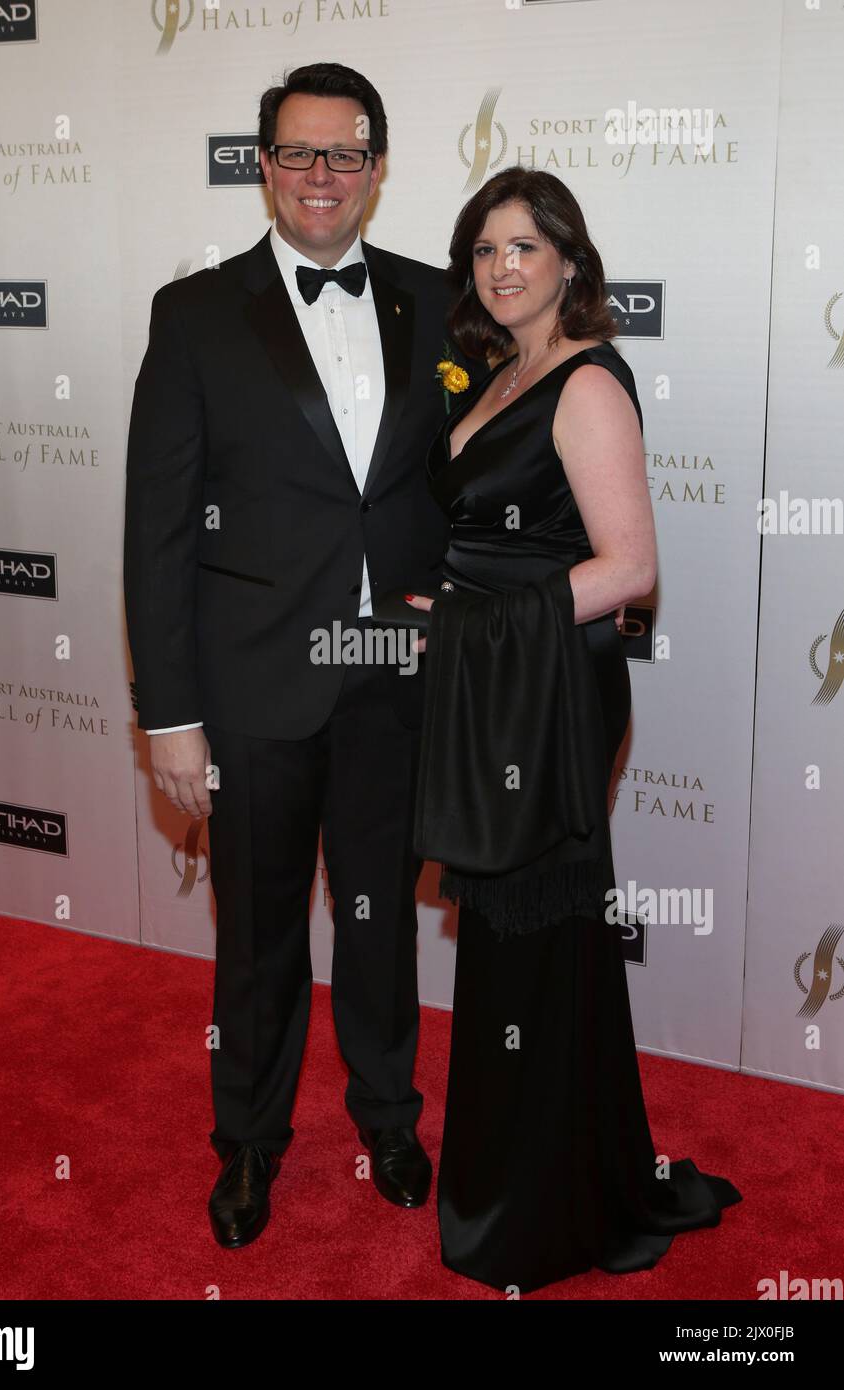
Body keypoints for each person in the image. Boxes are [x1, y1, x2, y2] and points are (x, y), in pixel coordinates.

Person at [123, 62, 480, 1250]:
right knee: (258, 932)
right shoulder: (196, 314)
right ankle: (250, 1141)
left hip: (394, 679)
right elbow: (158, 527)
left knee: (381, 923)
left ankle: (387, 1111)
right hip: (254, 689)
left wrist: (470, 604)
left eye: (344, 154)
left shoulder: (440, 306)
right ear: (262, 164)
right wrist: (167, 713)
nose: (320, 175)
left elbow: (482, 479)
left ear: (377, 170)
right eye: (297, 152)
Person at [405, 167, 742, 1294]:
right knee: (519, 942)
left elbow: (630, 568)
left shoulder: (587, 382)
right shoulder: (502, 377)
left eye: (525, 247)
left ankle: (537, 1209)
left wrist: (473, 622)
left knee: (536, 934)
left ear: (569, 264)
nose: (502, 267)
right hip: (497, 680)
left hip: (544, 687)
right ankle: (551, 1173)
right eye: (485, 249)